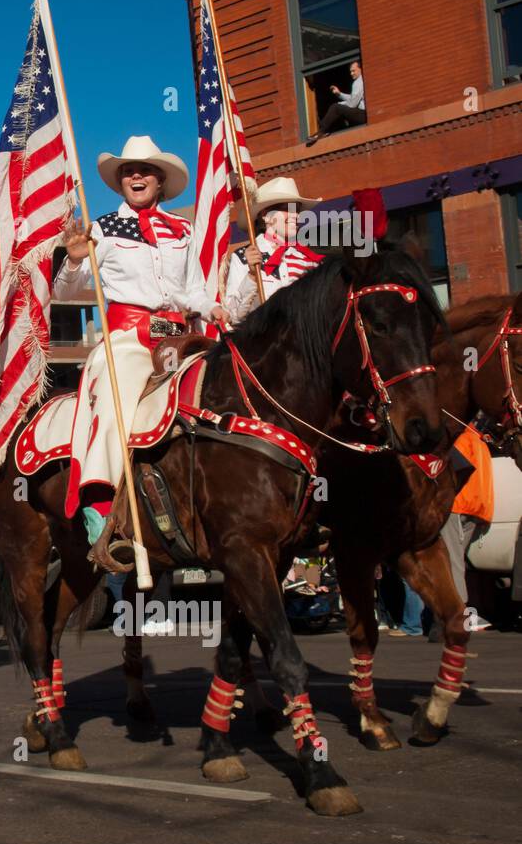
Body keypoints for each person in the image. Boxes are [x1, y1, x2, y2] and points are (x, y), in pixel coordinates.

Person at [53, 135, 226, 568]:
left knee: (224, 395)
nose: (136, 176)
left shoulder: (184, 231)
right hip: (129, 339)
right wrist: (74, 260)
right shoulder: (102, 228)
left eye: (145, 170)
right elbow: (65, 290)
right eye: (129, 170)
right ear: (119, 182)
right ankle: (101, 510)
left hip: (182, 338)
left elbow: (194, 292)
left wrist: (216, 307)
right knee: (115, 404)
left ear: (160, 180)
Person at [223, 176, 325, 325]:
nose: (296, 216)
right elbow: (233, 316)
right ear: (266, 216)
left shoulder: (308, 259)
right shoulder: (243, 257)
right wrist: (251, 276)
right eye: (286, 209)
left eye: (297, 210)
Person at [439, 418, 495, 633]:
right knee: (458, 561)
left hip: (458, 503)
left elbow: (456, 470)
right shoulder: (479, 440)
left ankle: (460, 615)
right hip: (479, 506)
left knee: (452, 561)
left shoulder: (460, 438)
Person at [306, 61, 365, 145]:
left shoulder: (359, 82)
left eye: (353, 71)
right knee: (338, 108)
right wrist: (339, 94)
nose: (351, 73)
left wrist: (340, 104)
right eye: (350, 71)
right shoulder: (359, 81)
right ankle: (326, 130)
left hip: (363, 115)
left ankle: (321, 132)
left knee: (335, 108)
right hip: (363, 114)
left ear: (360, 69)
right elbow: (354, 98)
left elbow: (352, 104)